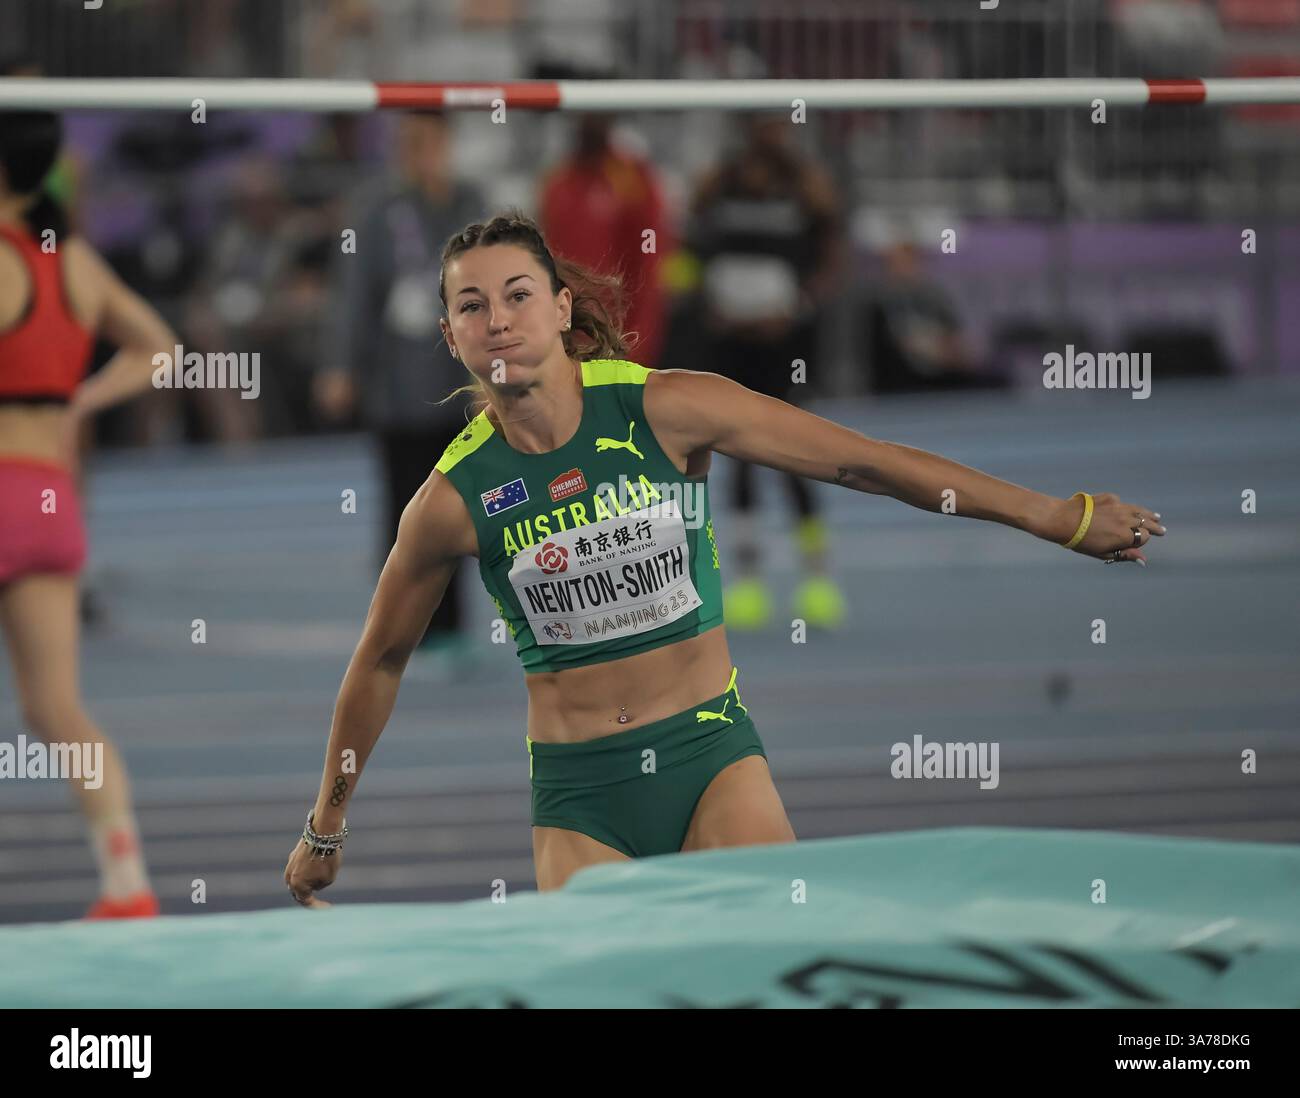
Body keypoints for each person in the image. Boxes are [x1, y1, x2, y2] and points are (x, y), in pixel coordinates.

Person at [283, 211, 1164, 904]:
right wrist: (327, 829)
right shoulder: (451, 499)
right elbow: (382, 658)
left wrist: (1055, 515)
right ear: (451, 336)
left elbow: (867, 461)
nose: (497, 320)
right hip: (581, 800)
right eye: (472, 306)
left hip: (711, 760)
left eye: (517, 295)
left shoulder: (671, 410)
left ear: (559, 308)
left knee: (770, 975)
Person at [0, 110, 178, 918]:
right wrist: (80, 400)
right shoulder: (71, 261)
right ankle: (126, 883)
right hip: (49, 501)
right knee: (57, 707)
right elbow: (164, 349)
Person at [313, 109, 484, 666]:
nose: (420, 153)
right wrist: (340, 366)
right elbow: (353, 294)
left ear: (448, 144)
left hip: (459, 383)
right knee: (402, 513)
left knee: (459, 511)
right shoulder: (375, 210)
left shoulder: (471, 206)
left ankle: (456, 625)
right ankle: (401, 629)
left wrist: (496, 375)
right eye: (409, 142)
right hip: (397, 384)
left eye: (430, 142)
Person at [687, 111, 848, 631]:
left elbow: (830, 256)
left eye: (778, 125)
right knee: (740, 457)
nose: (769, 134)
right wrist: (706, 300)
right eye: (761, 124)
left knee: (798, 453)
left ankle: (817, 577)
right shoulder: (719, 183)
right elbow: (691, 247)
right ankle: (750, 580)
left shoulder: (806, 186)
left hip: (786, 345)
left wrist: (799, 305)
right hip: (732, 341)